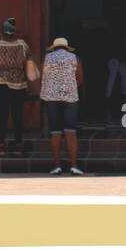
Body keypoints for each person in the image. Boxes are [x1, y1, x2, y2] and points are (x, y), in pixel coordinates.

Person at [0, 17, 33, 157]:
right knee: (17, 116)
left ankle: (0, 147)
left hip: (0, 84)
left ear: (2, 32)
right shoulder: (22, 45)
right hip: (19, 84)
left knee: (2, 115)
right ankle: (19, 147)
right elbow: (28, 64)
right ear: (14, 32)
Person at [39, 36, 83, 175]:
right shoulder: (74, 58)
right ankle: (74, 166)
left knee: (56, 132)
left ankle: (56, 166)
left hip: (51, 99)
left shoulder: (47, 58)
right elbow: (80, 79)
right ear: (66, 47)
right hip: (70, 99)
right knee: (70, 132)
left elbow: (42, 77)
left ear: (54, 47)